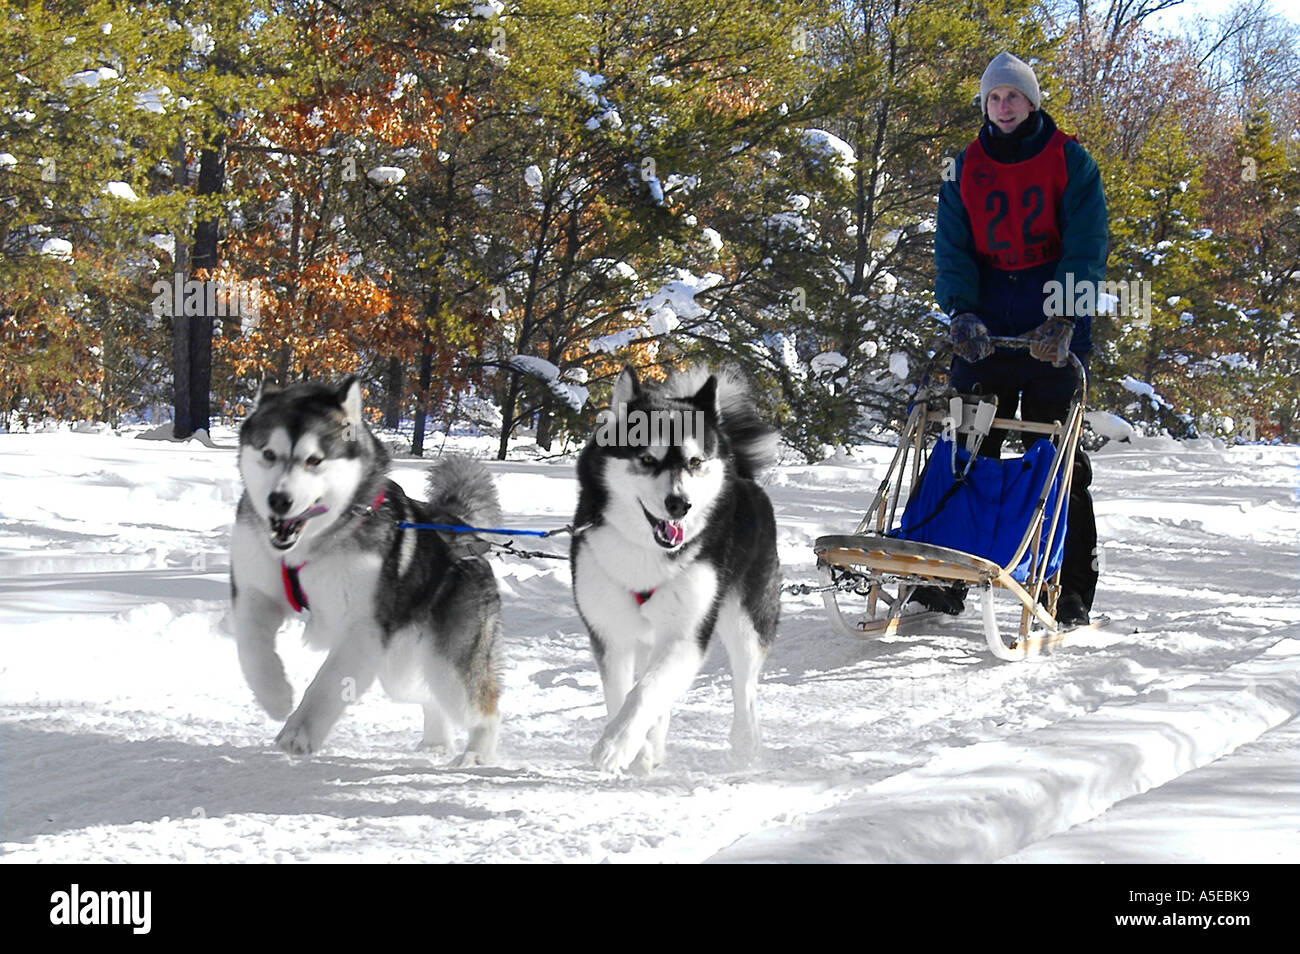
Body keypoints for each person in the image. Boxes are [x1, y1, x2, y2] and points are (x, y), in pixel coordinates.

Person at [923, 51, 1107, 626]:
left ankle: (1066, 586)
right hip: (985, 328)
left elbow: (1086, 241)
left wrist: (1066, 316)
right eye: (994, 98)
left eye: (1014, 97)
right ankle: (948, 574)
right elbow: (952, 248)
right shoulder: (965, 166)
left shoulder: (1071, 161)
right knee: (967, 447)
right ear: (985, 105)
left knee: (1056, 458)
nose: (1003, 107)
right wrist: (961, 312)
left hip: (1052, 326)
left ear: (1032, 102)